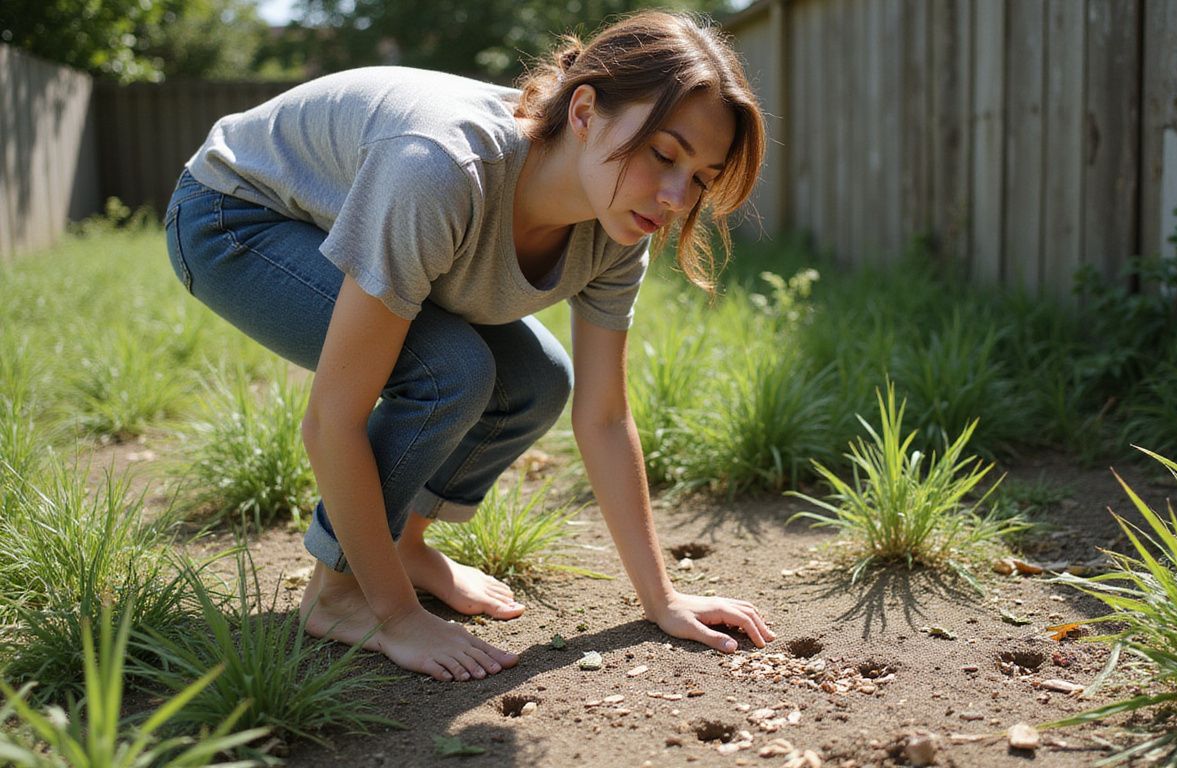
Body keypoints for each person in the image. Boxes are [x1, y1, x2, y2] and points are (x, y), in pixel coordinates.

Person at [163, 10, 775, 682]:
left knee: (535, 381)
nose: (673, 196)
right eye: (664, 153)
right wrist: (398, 619)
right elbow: (331, 418)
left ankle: (403, 546)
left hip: (340, 215)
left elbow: (603, 418)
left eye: (700, 178)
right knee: (449, 371)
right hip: (233, 212)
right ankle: (340, 596)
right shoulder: (442, 170)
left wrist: (663, 598)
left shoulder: (617, 226)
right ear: (584, 110)